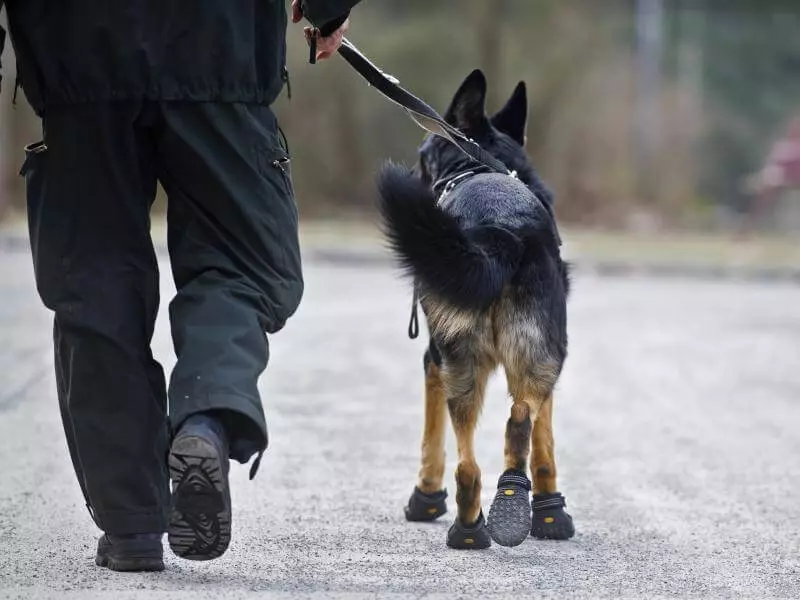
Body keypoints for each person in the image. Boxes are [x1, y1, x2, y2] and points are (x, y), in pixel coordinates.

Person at [1, 0, 361, 572]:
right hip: (219, 47)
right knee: (239, 267)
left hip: (77, 56)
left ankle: (132, 525)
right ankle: (206, 415)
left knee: (95, 286)